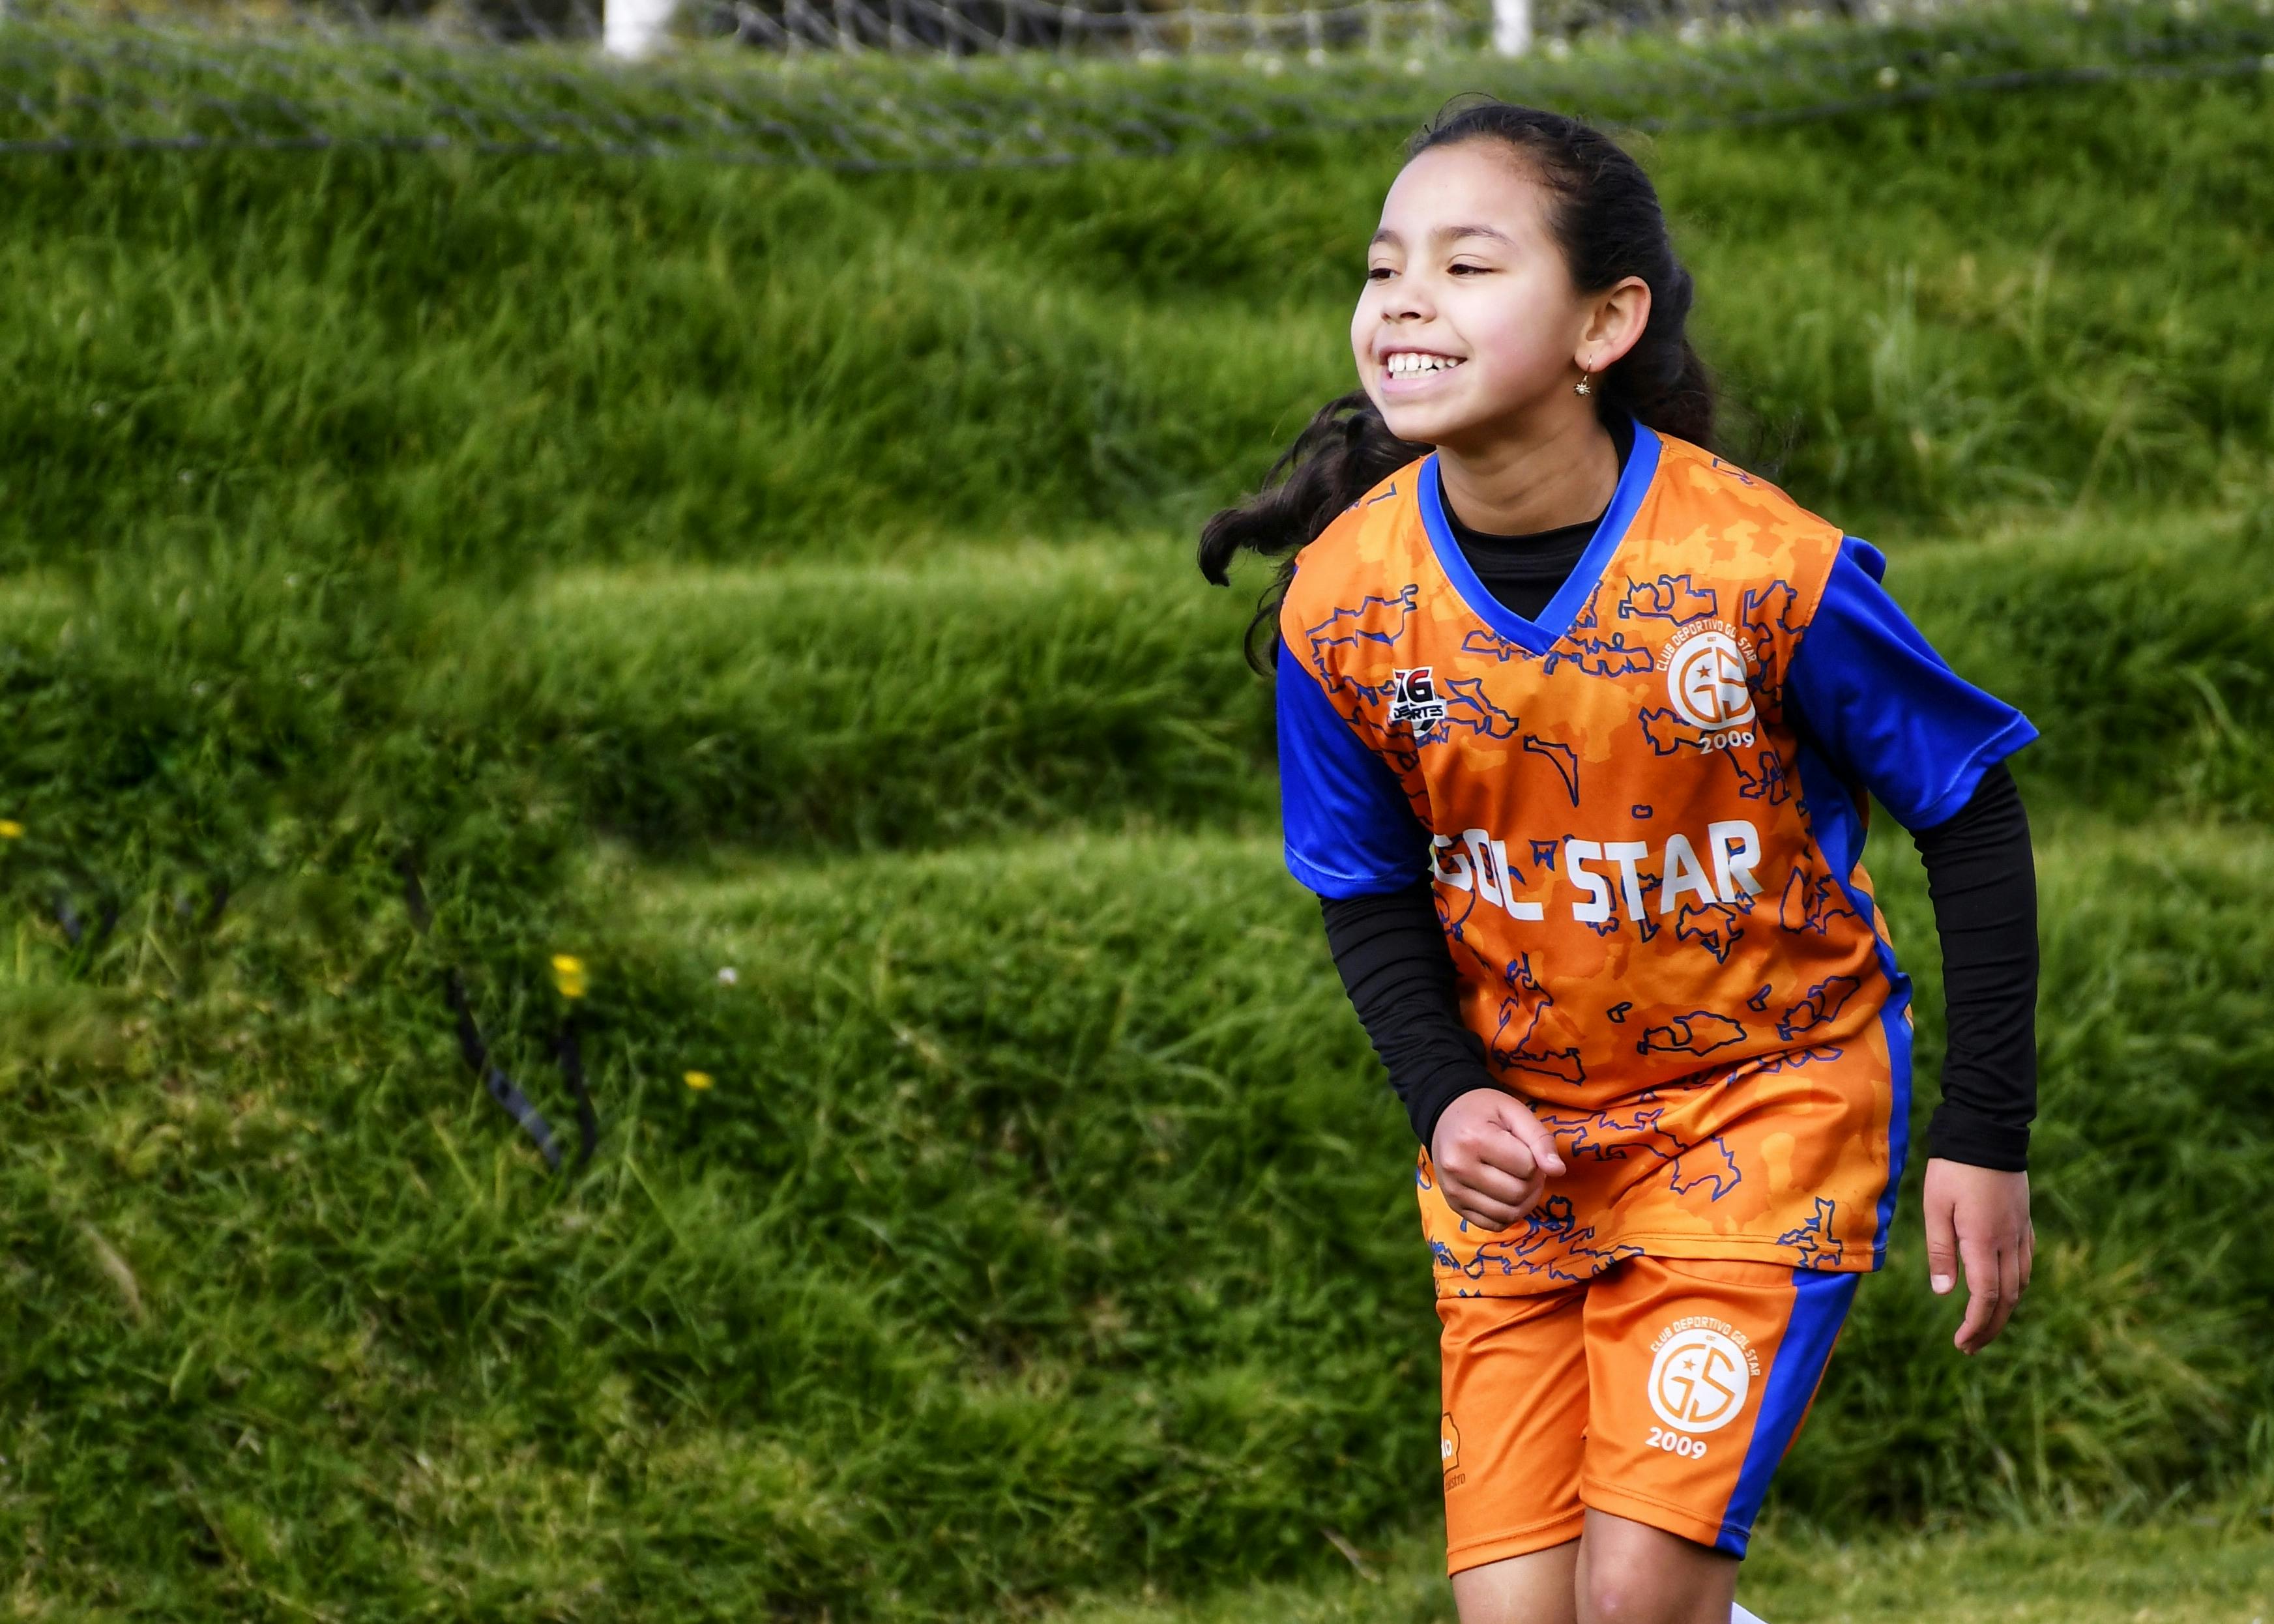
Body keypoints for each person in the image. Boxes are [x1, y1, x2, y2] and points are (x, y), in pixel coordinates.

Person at [1197, 99, 2039, 1624]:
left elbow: (1966, 810)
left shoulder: (1761, 573)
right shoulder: (1341, 604)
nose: (1402, 299)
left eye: (1465, 266)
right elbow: (1365, 888)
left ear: (1604, 320)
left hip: (1759, 1112)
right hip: (1521, 1157)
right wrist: (1443, 1093)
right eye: (1383, 267)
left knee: (1634, 1594)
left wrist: (1984, 1128)